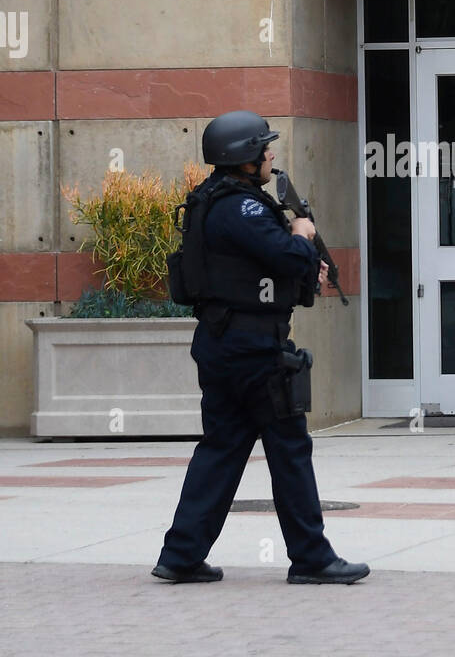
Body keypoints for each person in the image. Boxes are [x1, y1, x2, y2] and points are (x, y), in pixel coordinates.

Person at [153, 110, 369, 585]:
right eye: (264, 147)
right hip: (255, 349)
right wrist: (302, 235)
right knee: (289, 449)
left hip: (221, 343)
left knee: (221, 448)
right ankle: (312, 559)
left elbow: (253, 268)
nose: (271, 154)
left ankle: (181, 555)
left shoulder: (213, 199)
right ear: (246, 157)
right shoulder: (243, 208)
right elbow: (287, 257)